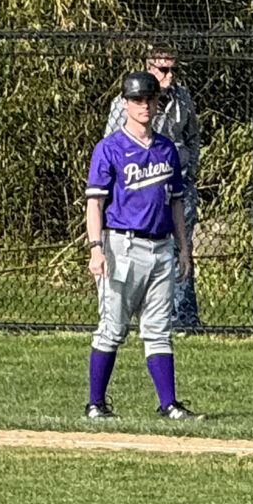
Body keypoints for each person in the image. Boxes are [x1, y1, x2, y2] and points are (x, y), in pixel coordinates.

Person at [84, 70, 200, 420]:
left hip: (161, 247)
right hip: (121, 245)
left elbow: (176, 202)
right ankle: (95, 403)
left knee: (159, 330)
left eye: (149, 99)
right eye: (137, 99)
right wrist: (95, 248)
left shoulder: (166, 149)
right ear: (125, 104)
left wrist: (184, 248)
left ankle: (169, 404)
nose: (144, 105)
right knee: (112, 328)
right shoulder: (109, 148)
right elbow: (95, 203)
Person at [106, 47, 203, 327]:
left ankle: (184, 318)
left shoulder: (181, 98)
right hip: (141, 190)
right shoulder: (125, 103)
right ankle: (134, 313)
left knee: (180, 249)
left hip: (178, 185)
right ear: (149, 69)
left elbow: (193, 136)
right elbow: (112, 147)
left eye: (173, 70)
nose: (169, 76)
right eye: (163, 70)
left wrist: (190, 172)